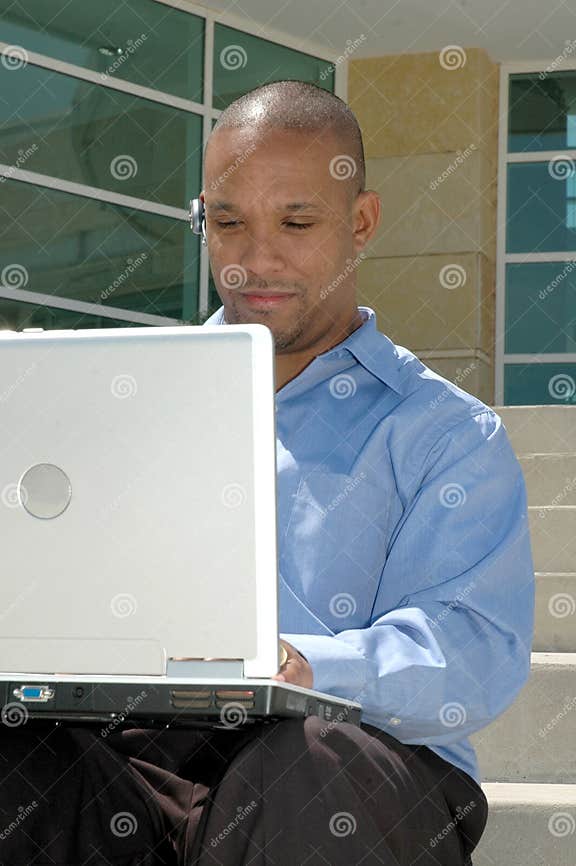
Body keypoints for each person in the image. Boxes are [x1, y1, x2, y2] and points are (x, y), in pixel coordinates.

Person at [0, 80, 534, 866]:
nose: (256, 260)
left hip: (352, 766)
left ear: (360, 224)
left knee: (309, 765)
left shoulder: (446, 435)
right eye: (228, 223)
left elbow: (476, 652)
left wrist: (310, 665)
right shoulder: (112, 401)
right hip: (129, 757)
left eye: (297, 222)